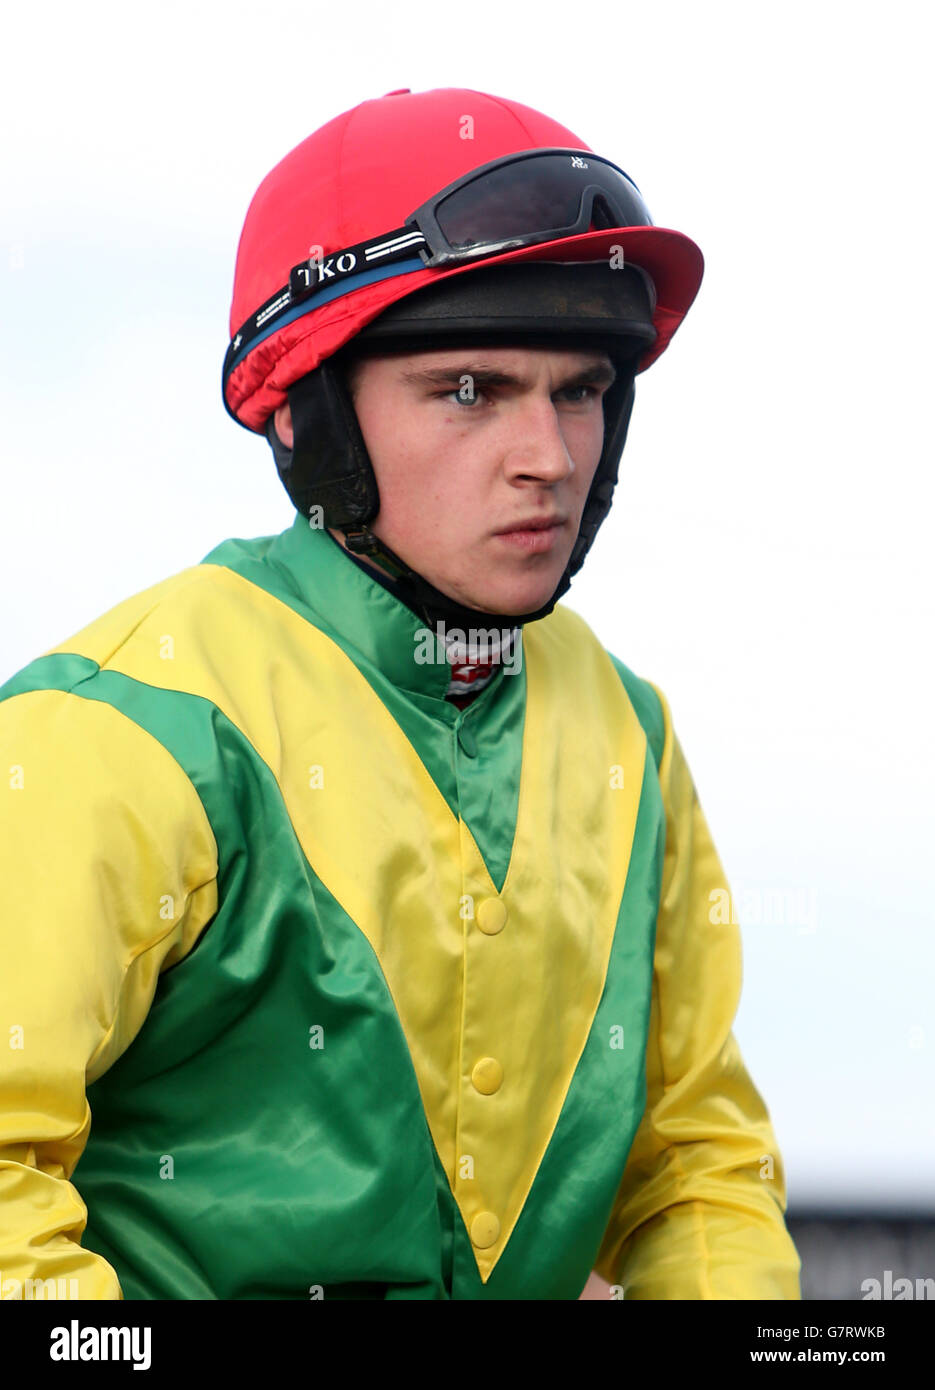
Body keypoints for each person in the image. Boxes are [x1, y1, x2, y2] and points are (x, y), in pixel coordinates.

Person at [0, 86, 801, 1300]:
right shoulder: (111, 728)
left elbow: (695, 1170)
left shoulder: (626, 732)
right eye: (470, 389)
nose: (548, 456)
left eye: (580, 390)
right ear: (305, 415)